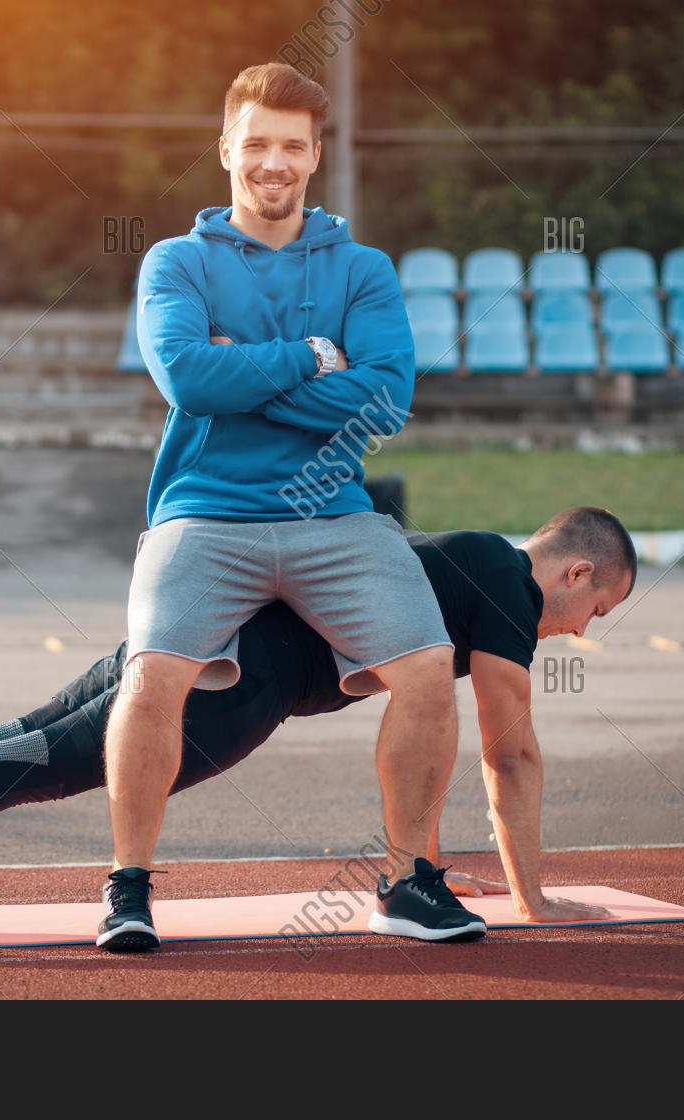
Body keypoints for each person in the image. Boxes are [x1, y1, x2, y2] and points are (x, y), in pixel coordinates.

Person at [0, 508, 636, 948]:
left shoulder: (472, 557)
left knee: (27, 738)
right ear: (576, 572)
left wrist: (423, 867)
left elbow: (426, 739)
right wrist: (535, 900)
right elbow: (510, 754)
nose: (584, 630)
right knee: (45, 763)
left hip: (202, 628)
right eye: (598, 609)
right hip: (237, 680)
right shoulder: (508, 589)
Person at [102, 61, 459, 952]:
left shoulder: (362, 268)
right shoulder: (177, 261)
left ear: (315, 156)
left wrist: (245, 370)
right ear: (226, 149)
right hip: (203, 511)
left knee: (428, 666)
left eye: (292, 147)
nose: (274, 162)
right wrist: (311, 356)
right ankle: (128, 888)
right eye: (256, 143)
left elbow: (385, 403)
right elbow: (188, 377)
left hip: (332, 513)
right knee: (150, 676)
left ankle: (408, 884)